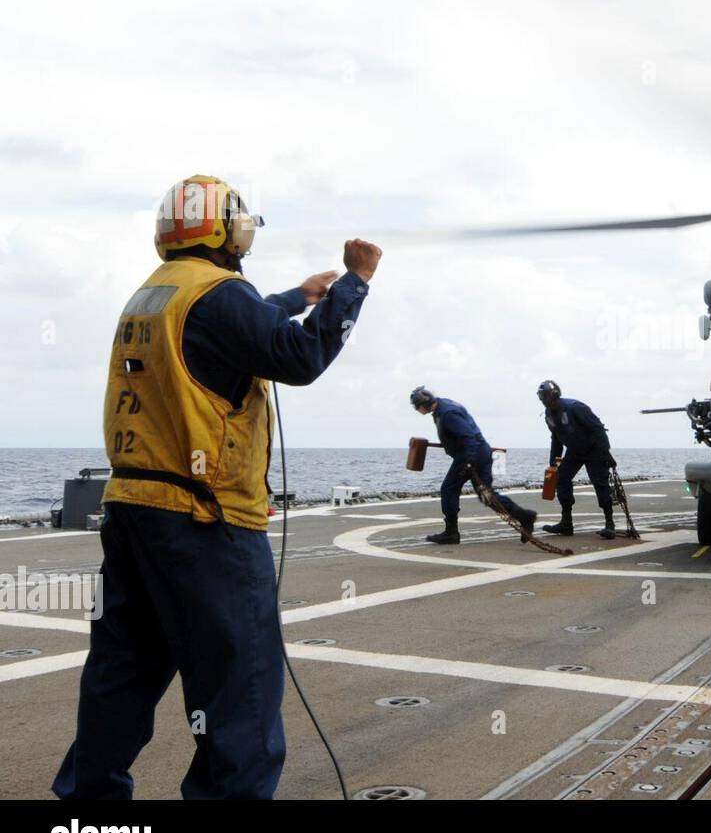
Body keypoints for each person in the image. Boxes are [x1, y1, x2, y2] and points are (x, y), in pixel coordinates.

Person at [53, 174, 381, 800]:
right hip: (206, 521)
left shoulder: (154, 295)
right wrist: (354, 286)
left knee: (121, 675)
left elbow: (223, 333)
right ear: (224, 230)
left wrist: (292, 296)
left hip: (133, 511)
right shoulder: (222, 293)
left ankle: (88, 819)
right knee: (241, 688)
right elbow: (299, 360)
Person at [410, 386, 537, 545]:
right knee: (487, 496)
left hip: (472, 455)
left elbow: (468, 437)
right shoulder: (443, 406)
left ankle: (451, 533)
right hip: (479, 453)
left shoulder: (447, 414)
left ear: (423, 403)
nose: (416, 409)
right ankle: (525, 516)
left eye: (416, 406)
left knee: (448, 489)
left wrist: (468, 462)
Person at [536, 380, 618, 539]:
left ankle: (610, 524)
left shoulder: (575, 407)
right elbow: (556, 438)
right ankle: (566, 523)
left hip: (594, 450)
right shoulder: (549, 414)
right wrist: (554, 463)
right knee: (561, 479)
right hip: (575, 451)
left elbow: (597, 429)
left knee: (600, 484)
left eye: (545, 397)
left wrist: (606, 453)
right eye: (541, 398)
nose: (543, 401)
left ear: (554, 395)